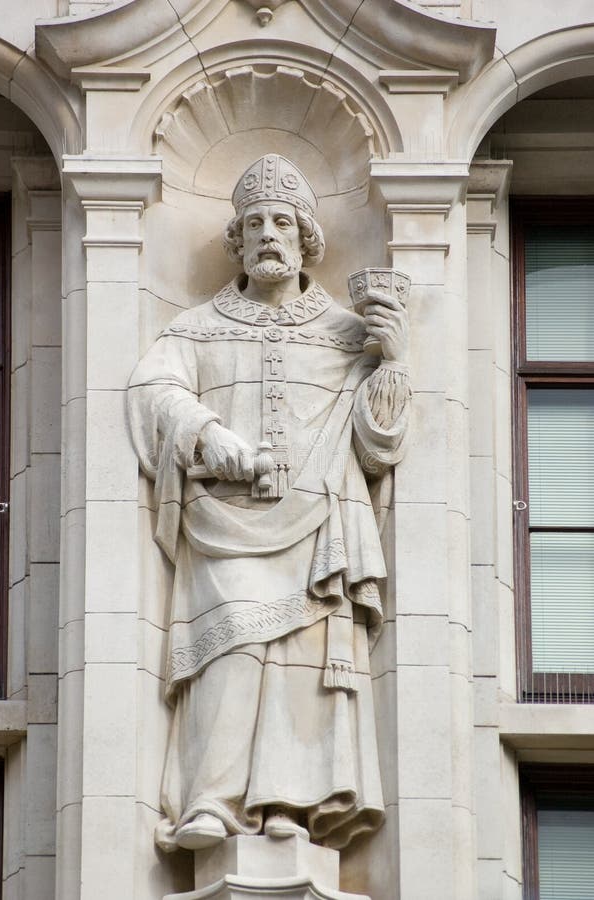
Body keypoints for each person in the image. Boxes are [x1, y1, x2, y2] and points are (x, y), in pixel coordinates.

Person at [127, 155, 411, 852]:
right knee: (231, 656)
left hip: (317, 529)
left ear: (307, 236)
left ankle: (289, 804)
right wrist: (206, 433)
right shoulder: (196, 329)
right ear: (237, 239)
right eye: (253, 224)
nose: (267, 234)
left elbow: (378, 452)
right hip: (224, 526)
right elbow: (152, 395)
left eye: (282, 222)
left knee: (301, 667)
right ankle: (211, 800)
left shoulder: (348, 335)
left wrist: (393, 363)